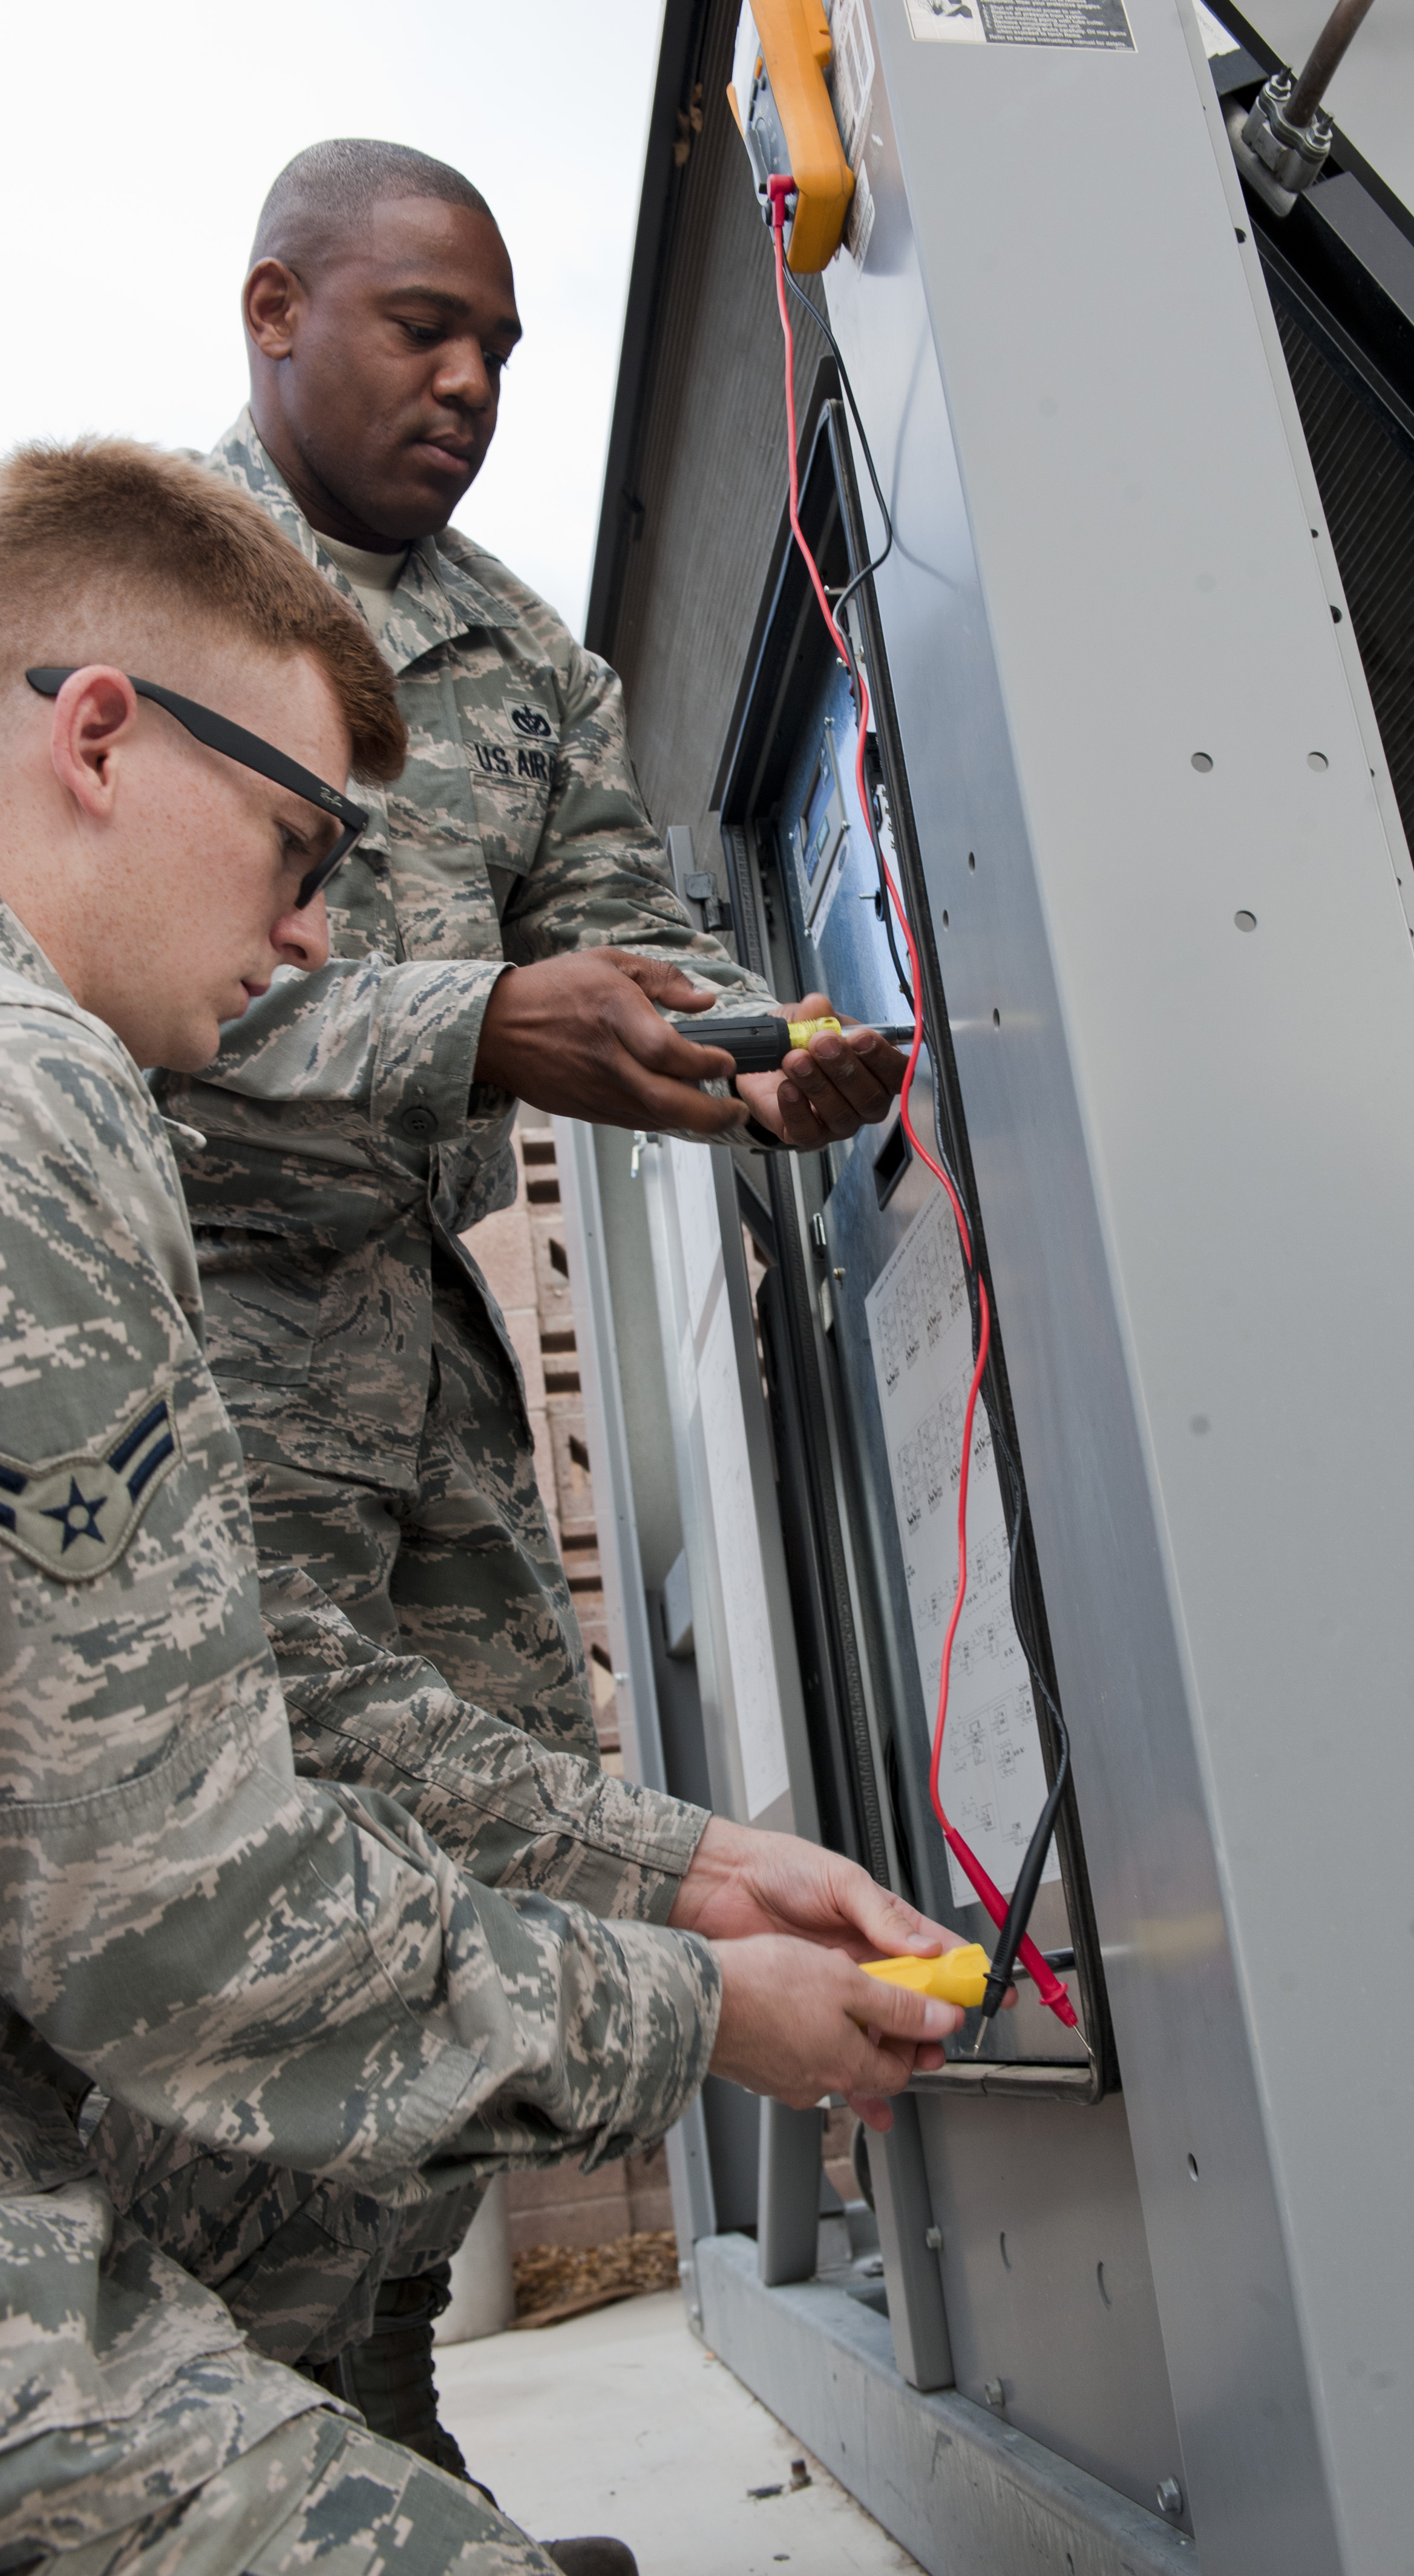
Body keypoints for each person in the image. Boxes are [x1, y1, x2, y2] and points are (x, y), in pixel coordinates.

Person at [0, 436, 963, 2576]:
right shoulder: (43, 1106)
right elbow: (191, 1931)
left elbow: (260, 1698)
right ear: (97, 738)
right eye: (298, 841)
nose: (316, 924)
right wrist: (709, 2015)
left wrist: (692, 1869)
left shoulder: (527, 657)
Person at [145, 134, 916, 2445]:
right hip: (174, 1337)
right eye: (422, 328)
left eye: (502, 345)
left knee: (495, 1852)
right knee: (261, 1913)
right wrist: (471, 1025)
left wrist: (751, 1051)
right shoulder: (131, 597)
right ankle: (248, 2468)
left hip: (424, 1357)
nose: (473, 381)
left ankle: (398, 2448)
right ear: (276, 310)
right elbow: (105, 1000)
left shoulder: (524, 657)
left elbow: (619, 923)